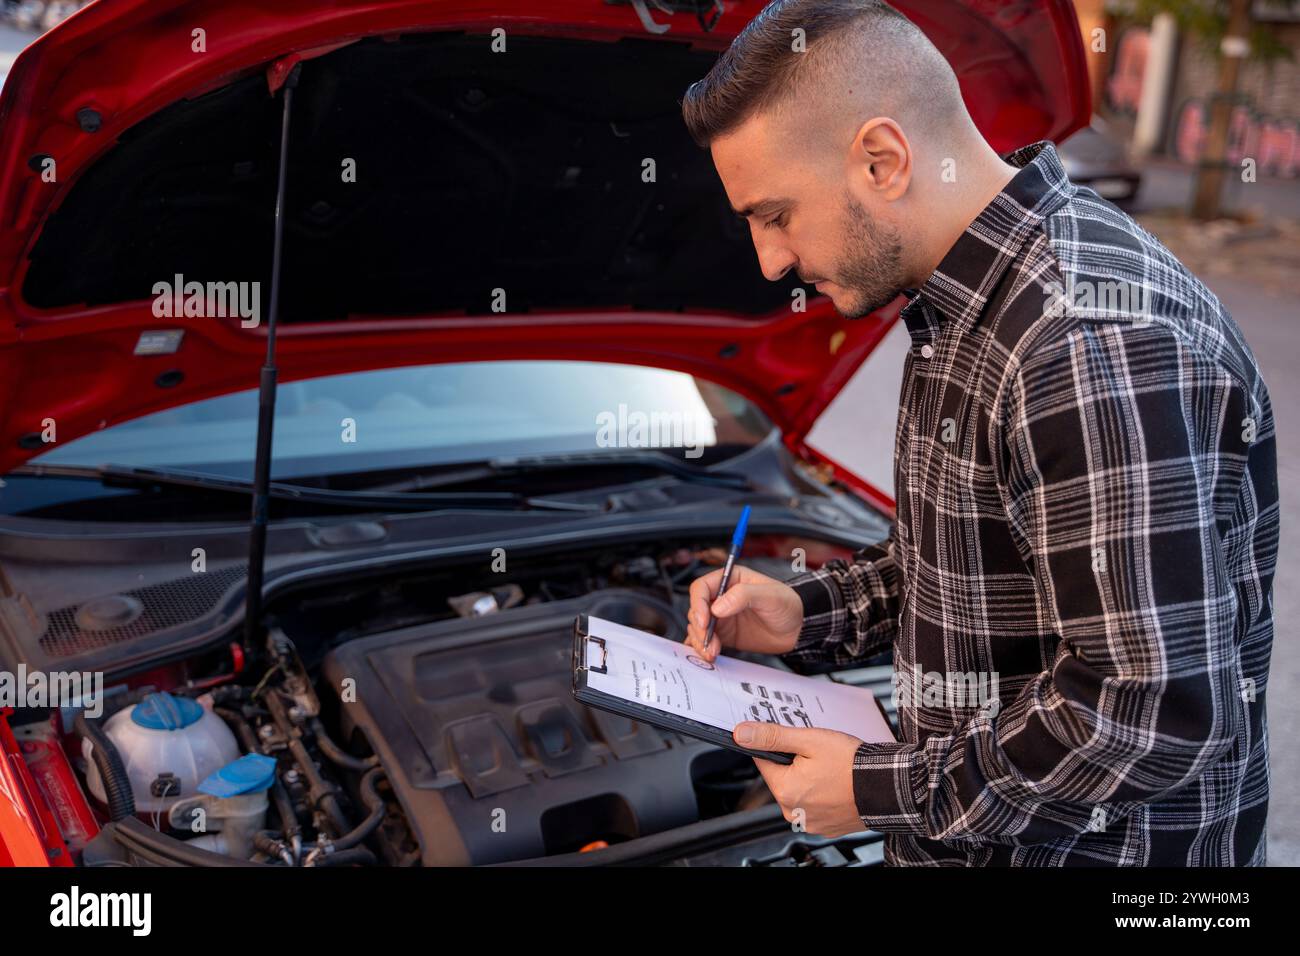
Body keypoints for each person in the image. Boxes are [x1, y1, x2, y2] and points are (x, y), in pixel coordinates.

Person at [680, 0, 1277, 866]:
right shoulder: (964, 299)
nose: (769, 261)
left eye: (775, 214)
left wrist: (878, 790)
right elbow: (969, 565)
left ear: (881, 160)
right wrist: (803, 613)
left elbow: (1145, 712)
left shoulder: (1079, 342)